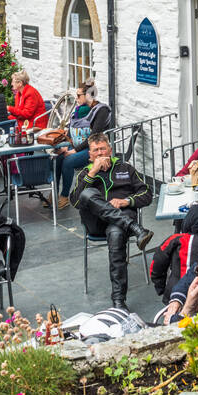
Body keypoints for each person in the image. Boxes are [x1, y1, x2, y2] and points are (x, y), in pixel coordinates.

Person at [72, 131, 152, 311]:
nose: (100, 154)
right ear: (90, 155)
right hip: (96, 224)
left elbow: (147, 193)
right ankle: (136, 228)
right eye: (96, 151)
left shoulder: (125, 168)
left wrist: (126, 201)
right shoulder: (85, 173)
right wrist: (92, 172)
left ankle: (118, 301)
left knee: (116, 234)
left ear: (110, 150)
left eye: (102, 149)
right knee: (87, 194)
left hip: (118, 225)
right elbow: (76, 201)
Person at [52, 79, 112, 209]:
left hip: (94, 149)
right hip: (77, 145)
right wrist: (65, 144)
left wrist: (74, 150)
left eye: (79, 95)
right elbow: (72, 129)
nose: (76, 98)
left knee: (68, 161)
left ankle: (64, 196)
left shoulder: (101, 110)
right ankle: (53, 193)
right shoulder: (80, 110)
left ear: (88, 95)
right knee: (58, 158)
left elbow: (93, 136)